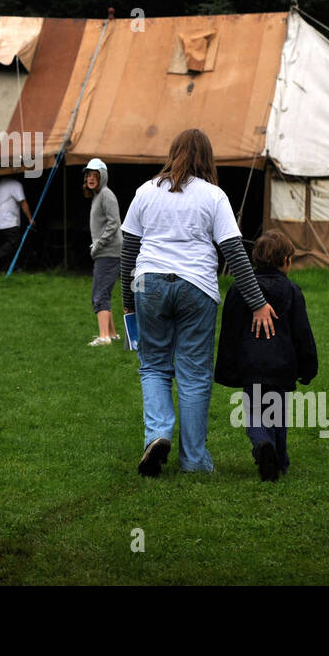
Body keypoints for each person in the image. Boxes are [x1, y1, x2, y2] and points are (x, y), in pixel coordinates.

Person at [119, 128, 276, 477]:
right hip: (196, 287)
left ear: (173, 153)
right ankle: (193, 461)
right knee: (193, 375)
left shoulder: (145, 192)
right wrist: (258, 302)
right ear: (208, 157)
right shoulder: (214, 196)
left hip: (149, 284)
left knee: (154, 367)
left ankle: (158, 436)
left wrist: (128, 302)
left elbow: (128, 251)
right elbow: (234, 253)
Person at [214, 230, 318, 481]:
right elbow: (302, 332)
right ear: (286, 261)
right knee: (278, 416)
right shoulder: (292, 291)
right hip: (282, 366)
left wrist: (228, 367)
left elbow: (230, 329)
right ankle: (279, 460)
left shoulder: (240, 289)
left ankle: (262, 444)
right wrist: (308, 367)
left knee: (256, 415)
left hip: (252, 366)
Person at [83, 158, 123, 346]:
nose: (91, 178)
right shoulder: (98, 195)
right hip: (105, 252)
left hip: (109, 252)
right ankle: (112, 335)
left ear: (103, 176)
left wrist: (98, 245)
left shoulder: (106, 195)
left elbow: (114, 223)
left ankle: (104, 337)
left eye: (95, 175)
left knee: (98, 294)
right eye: (88, 175)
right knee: (103, 292)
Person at [0, 176, 33, 271]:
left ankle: (9, 267)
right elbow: (23, 202)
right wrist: (30, 218)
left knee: (7, 245)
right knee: (14, 243)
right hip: (10, 221)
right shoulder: (16, 185)